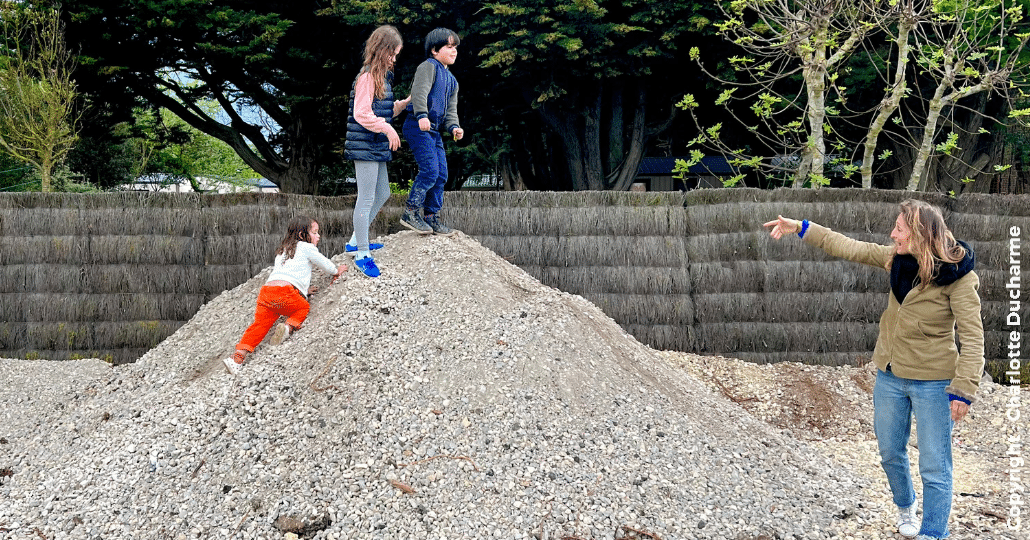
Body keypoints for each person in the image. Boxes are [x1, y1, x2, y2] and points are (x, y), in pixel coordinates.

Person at [764, 200, 984, 540]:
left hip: (935, 383)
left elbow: (973, 337)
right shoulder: (899, 261)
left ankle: (933, 532)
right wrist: (802, 228)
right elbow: (850, 247)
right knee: (889, 451)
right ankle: (905, 503)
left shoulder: (959, 279)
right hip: (891, 376)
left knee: (935, 464)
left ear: (921, 234)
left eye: (900, 229)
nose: (893, 234)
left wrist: (964, 388)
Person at [223, 216, 346, 375]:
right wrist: (337, 270)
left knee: (259, 325)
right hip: (285, 293)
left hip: (267, 293)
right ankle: (287, 328)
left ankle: (237, 358)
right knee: (303, 307)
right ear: (303, 236)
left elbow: (286, 273)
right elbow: (323, 262)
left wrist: (303, 289)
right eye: (315, 232)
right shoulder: (307, 247)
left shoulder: (283, 251)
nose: (318, 236)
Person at [344, 25, 412, 278]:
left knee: (382, 193)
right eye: (392, 54)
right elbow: (361, 113)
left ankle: (354, 241)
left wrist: (401, 105)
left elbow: (381, 111)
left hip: (375, 145)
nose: (394, 59)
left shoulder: (383, 77)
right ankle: (362, 253)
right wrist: (387, 129)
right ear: (381, 50)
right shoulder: (367, 77)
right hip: (364, 146)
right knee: (366, 198)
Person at [399, 27, 464, 236]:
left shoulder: (452, 80)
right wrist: (422, 115)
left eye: (455, 47)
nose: (454, 51)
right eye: (449, 46)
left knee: (442, 174)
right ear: (435, 50)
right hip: (418, 125)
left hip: (434, 130)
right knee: (430, 170)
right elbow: (419, 93)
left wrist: (454, 127)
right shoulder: (428, 67)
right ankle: (410, 212)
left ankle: (431, 217)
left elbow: (451, 110)